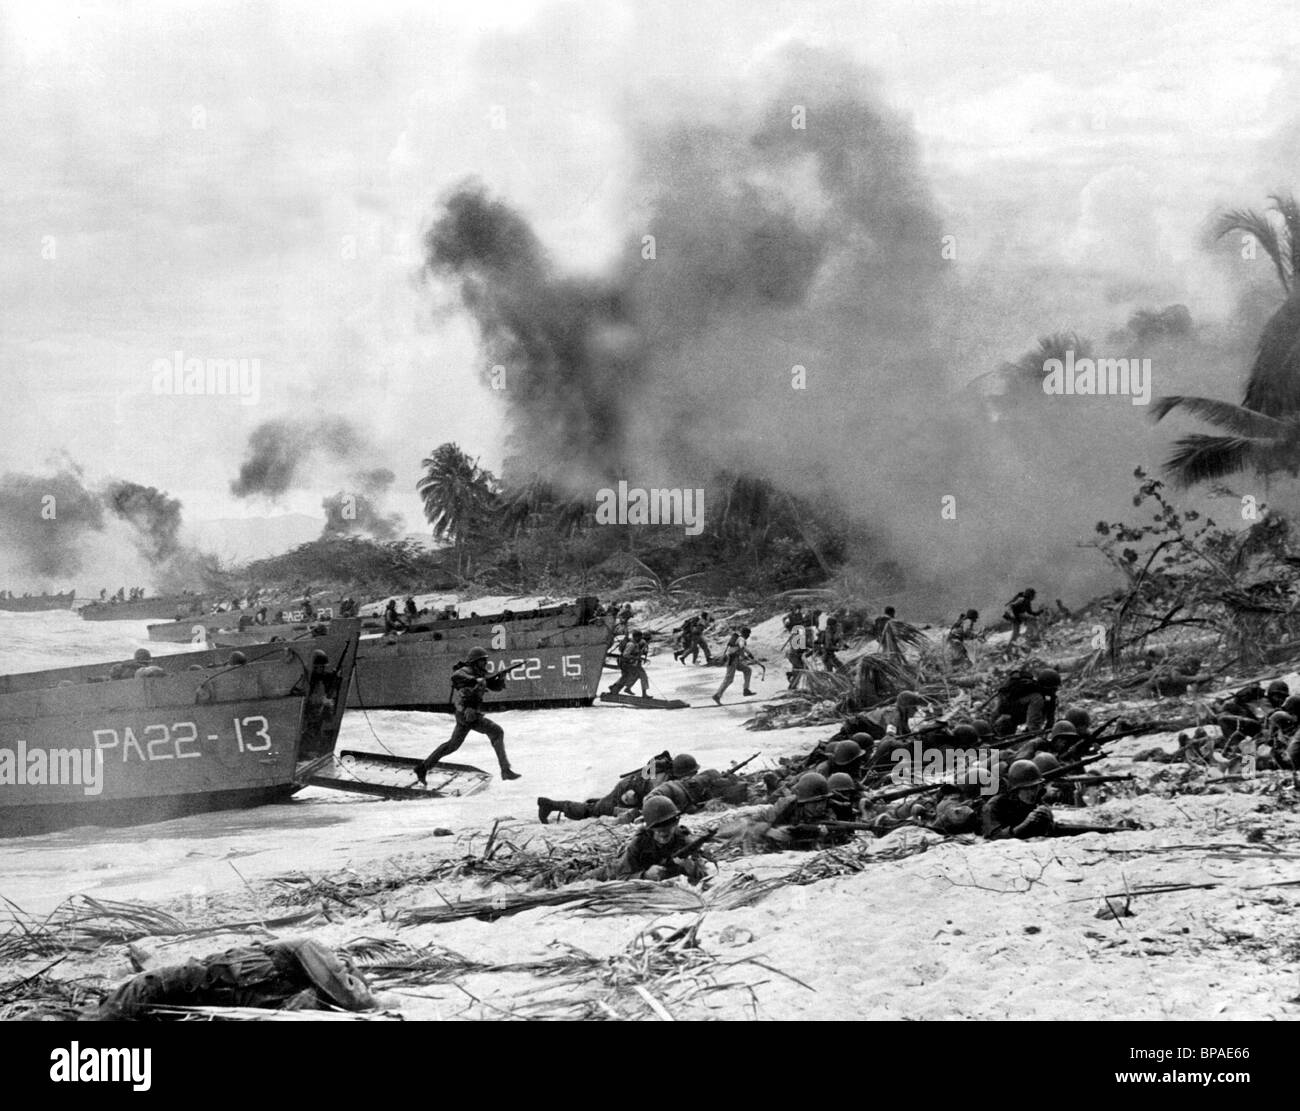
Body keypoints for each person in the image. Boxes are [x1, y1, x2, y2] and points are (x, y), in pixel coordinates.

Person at [414, 646, 519, 783]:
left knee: (452, 745)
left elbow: (496, 687)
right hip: (468, 713)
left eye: (485, 660)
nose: (485, 663)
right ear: (474, 661)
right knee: (497, 732)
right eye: (482, 661)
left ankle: (423, 767)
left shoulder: (481, 672)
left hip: (465, 714)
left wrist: (502, 677)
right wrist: (475, 680)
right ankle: (505, 770)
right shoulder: (466, 671)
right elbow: (456, 676)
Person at [537, 752, 696, 824]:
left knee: (601, 805)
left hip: (630, 791)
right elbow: (651, 803)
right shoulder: (662, 781)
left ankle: (602, 802)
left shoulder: (666, 773)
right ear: (681, 773)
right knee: (593, 810)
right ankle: (550, 805)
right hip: (627, 791)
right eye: (690, 774)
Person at [584, 796, 707, 883]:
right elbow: (621, 877)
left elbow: (703, 875)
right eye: (658, 827)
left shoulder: (685, 843)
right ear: (650, 828)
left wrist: (691, 868)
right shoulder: (639, 842)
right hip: (621, 867)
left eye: (668, 825)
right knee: (585, 878)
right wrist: (646, 875)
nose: (664, 831)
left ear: (676, 823)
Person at [982, 760, 1054, 839]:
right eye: (1026, 789)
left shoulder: (1038, 803)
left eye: (1034, 787)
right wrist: (1025, 824)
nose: (1031, 793)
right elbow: (995, 837)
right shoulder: (995, 805)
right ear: (1016, 789)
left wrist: (1048, 821)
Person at [995, 667, 1059, 732]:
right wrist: (1034, 730)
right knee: (1037, 699)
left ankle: (1031, 730)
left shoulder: (1048, 696)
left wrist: (1049, 728)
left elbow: (1050, 716)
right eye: (1053, 688)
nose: (1054, 690)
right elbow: (1004, 704)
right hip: (1007, 714)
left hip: (1016, 716)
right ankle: (1033, 730)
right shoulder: (1030, 687)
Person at [712, 626, 756, 704]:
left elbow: (741, 648)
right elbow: (742, 647)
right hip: (732, 660)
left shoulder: (738, 638)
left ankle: (746, 689)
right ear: (745, 633)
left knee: (747, 670)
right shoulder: (741, 639)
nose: (748, 636)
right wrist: (746, 656)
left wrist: (748, 654)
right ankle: (717, 695)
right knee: (729, 679)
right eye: (748, 634)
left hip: (735, 659)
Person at [607, 629, 650, 697]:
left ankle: (615, 688)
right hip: (626, 664)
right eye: (639, 637)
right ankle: (642, 693)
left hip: (627, 663)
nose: (640, 639)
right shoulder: (631, 644)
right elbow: (625, 655)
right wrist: (635, 658)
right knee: (641, 675)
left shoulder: (635, 644)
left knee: (627, 676)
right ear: (635, 637)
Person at [783, 619, 809, 689]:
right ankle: (793, 685)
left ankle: (792, 685)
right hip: (794, 656)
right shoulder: (796, 636)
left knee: (797, 671)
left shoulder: (796, 635)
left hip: (794, 656)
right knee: (804, 670)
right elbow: (797, 648)